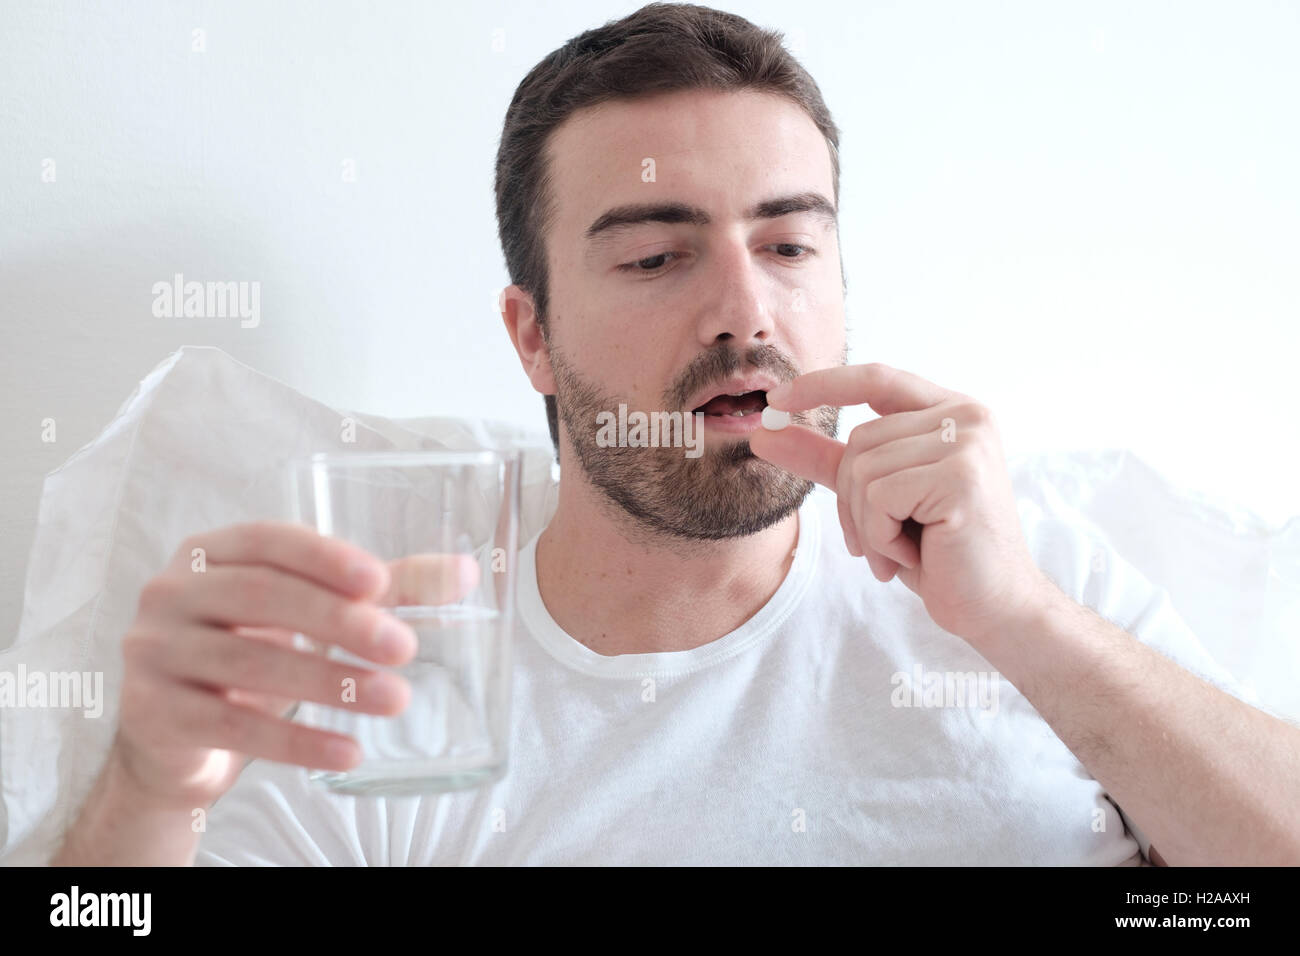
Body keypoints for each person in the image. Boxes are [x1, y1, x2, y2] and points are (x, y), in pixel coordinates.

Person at [51, 2, 1299, 866]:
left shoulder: (1032, 575)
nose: (747, 308)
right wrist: (153, 786)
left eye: (791, 245)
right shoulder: (404, 686)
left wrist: (1024, 621)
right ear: (530, 336)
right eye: (656, 254)